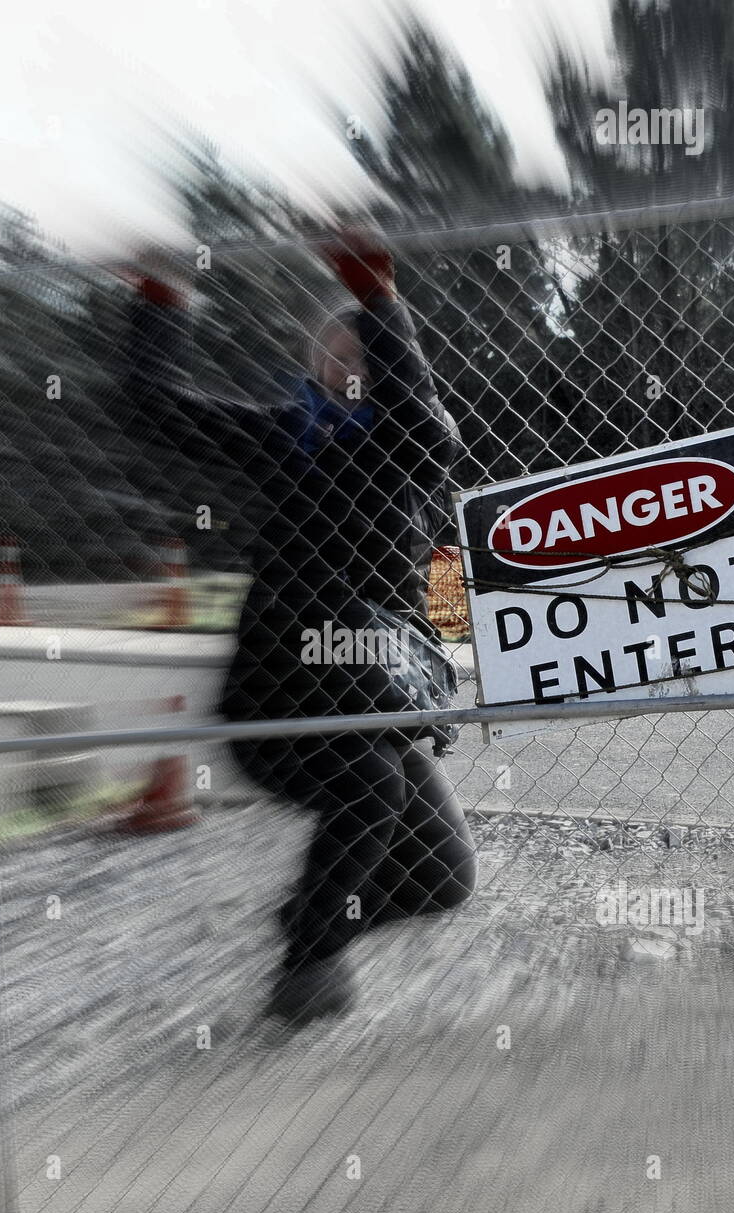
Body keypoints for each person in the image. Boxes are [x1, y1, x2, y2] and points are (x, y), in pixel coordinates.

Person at [129, 232, 477, 1025]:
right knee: (370, 791)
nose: (351, 367)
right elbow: (154, 411)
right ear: (313, 364)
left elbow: (425, 434)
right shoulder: (288, 438)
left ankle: (310, 917)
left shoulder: (408, 445)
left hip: (371, 697)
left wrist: (382, 300)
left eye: (368, 355)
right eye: (336, 353)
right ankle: (304, 971)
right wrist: (160, 301)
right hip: (278, 701)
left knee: (444, 875)